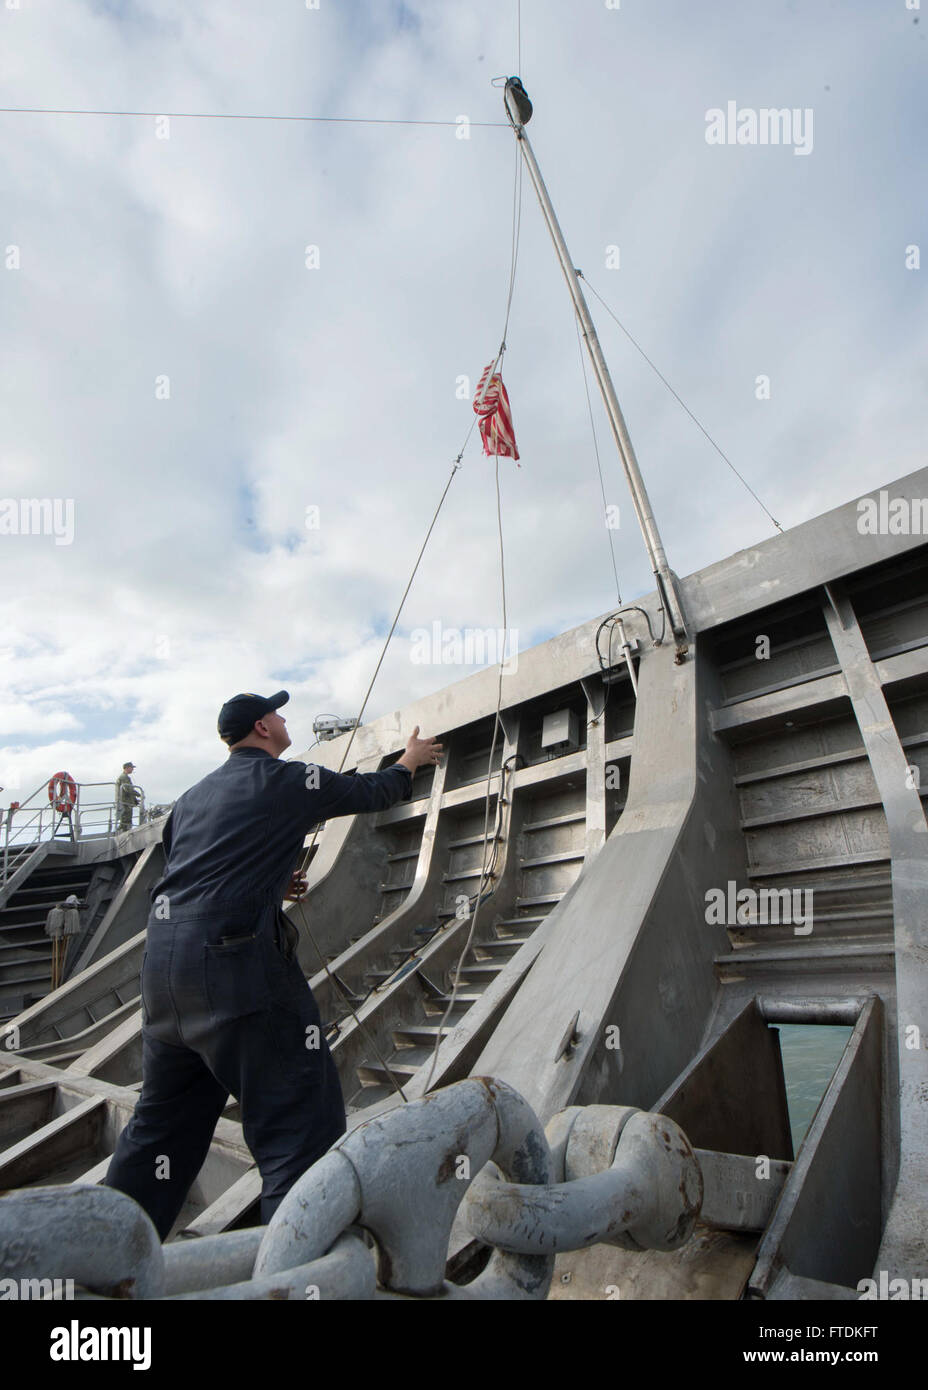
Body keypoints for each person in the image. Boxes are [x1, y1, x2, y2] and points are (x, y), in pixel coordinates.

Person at [102, 689, 442, 1241]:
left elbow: (193, 866)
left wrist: (269, 880)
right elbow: (372, 791)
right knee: (298, 1127)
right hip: (236, 971)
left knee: (160, 1134)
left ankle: (103, 1259)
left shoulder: (190, 798)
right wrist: (409, 761)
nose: (286, 719)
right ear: (262, 727)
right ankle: (298, 1267)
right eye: (279, 713)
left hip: (163, 975)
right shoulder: (286, 781)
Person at [115, 762, 140, 832]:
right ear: (127, 768)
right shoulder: (124, 777)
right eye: (131, 768)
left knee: (126, 819)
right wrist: (138, 794)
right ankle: (123, 831)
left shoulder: (125, 777)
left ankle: (124, 830)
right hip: (125, 802)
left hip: (126, 801)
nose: (132, 769)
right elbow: (127, 789)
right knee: (125, 820)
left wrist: (134, 800)